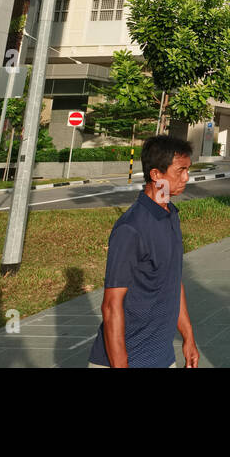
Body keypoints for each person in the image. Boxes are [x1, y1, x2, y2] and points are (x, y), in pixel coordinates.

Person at [88, 134, 198, 368]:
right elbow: (110, 305)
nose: (187, 177)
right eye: (180, 170)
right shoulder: (131, 228)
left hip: (162, 357)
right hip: (125, 360)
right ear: (156, 174)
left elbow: (173, 280)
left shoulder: (171, 215)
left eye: (188, 169)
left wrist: (188, 337)